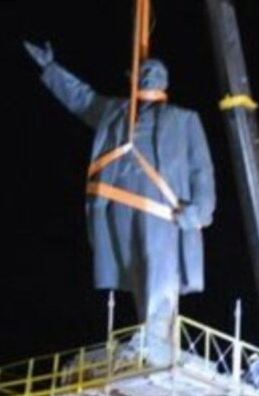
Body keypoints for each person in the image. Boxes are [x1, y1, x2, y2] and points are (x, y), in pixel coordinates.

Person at [22, 40, 216, 350]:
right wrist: (50, 67)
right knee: (136, 269)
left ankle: (157, 340)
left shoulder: (185, 119)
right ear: (133, 79)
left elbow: (201, 170)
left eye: (154, 71)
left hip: (163, 210)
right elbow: (81, 99)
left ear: (165, 81)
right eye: (143, 71)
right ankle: (151, 335)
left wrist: (201, 210)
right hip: (121, 205)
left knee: (159, 268)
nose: (148, 74)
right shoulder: (114, 112)